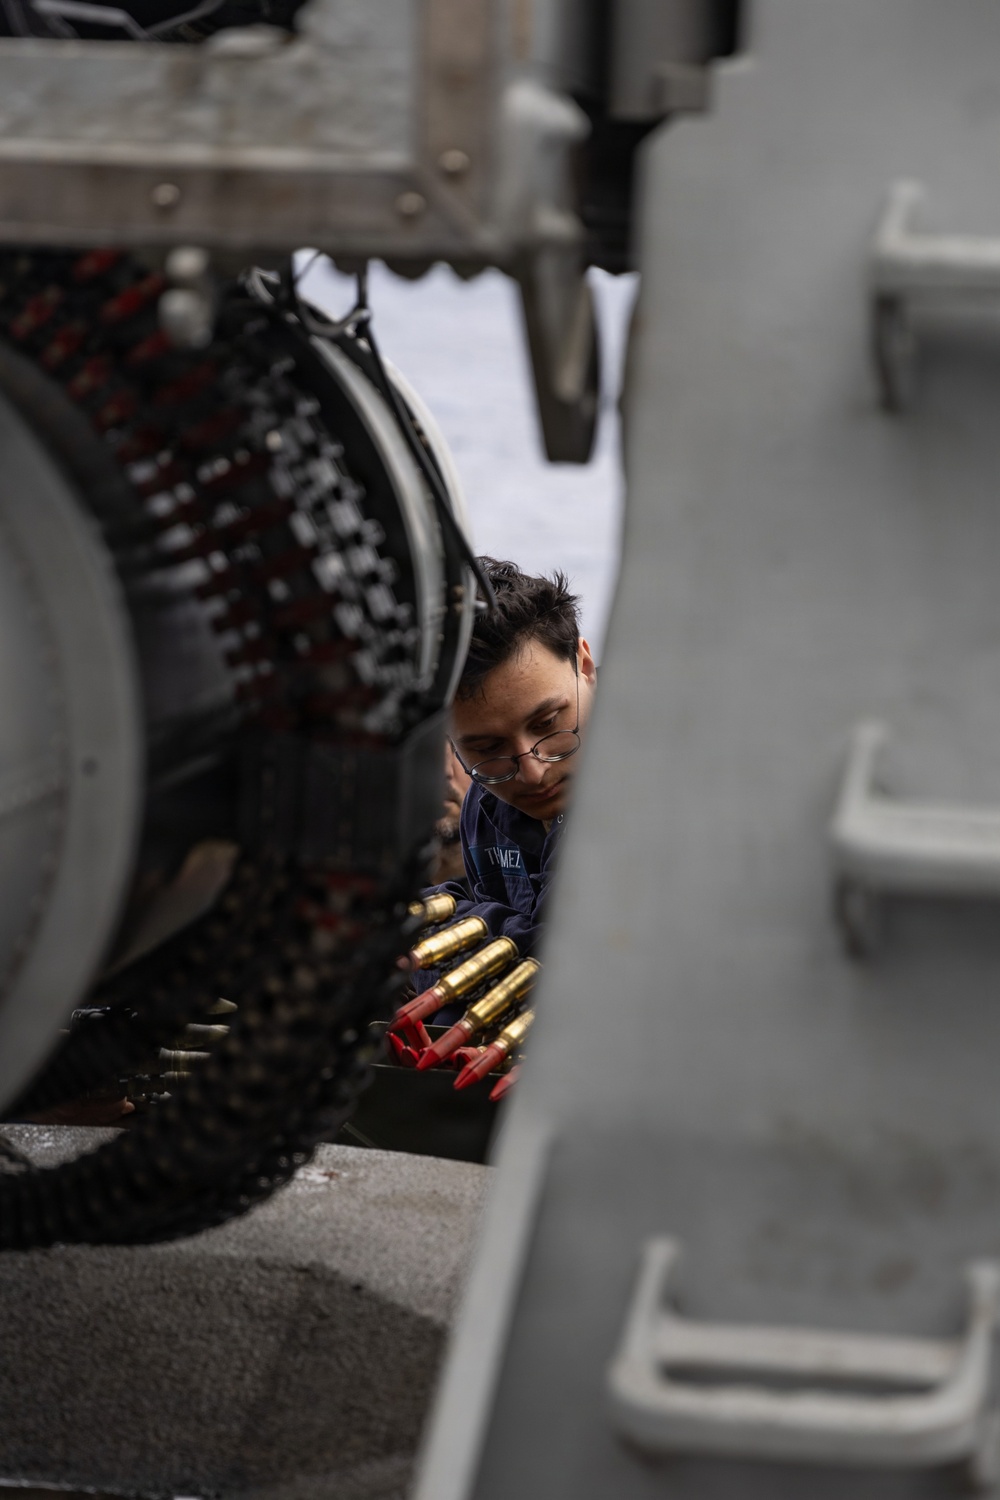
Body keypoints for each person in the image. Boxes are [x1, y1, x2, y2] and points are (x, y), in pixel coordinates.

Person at [427, 557, 597, 957]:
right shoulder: (482, 807)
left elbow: (565, 960)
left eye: (548, 723)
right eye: (488, 749)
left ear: (585, 665)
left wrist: (420, 922)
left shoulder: (661, 786)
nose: (533, 773)